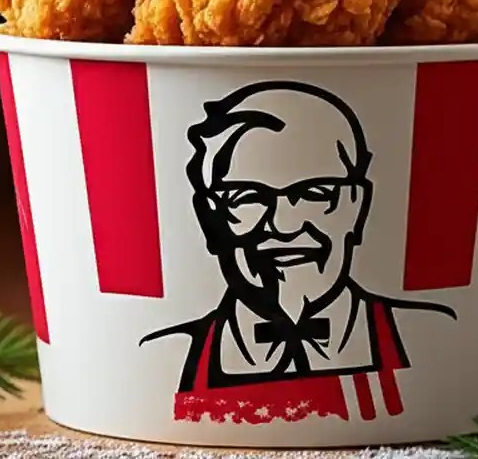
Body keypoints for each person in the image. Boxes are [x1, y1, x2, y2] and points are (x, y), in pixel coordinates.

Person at [142, 81, 454, 424]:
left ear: (356, 207)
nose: (286, 225)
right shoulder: (163, 356)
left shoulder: (431, 335)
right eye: (247, 197)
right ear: (210, 220)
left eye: (316, 193)